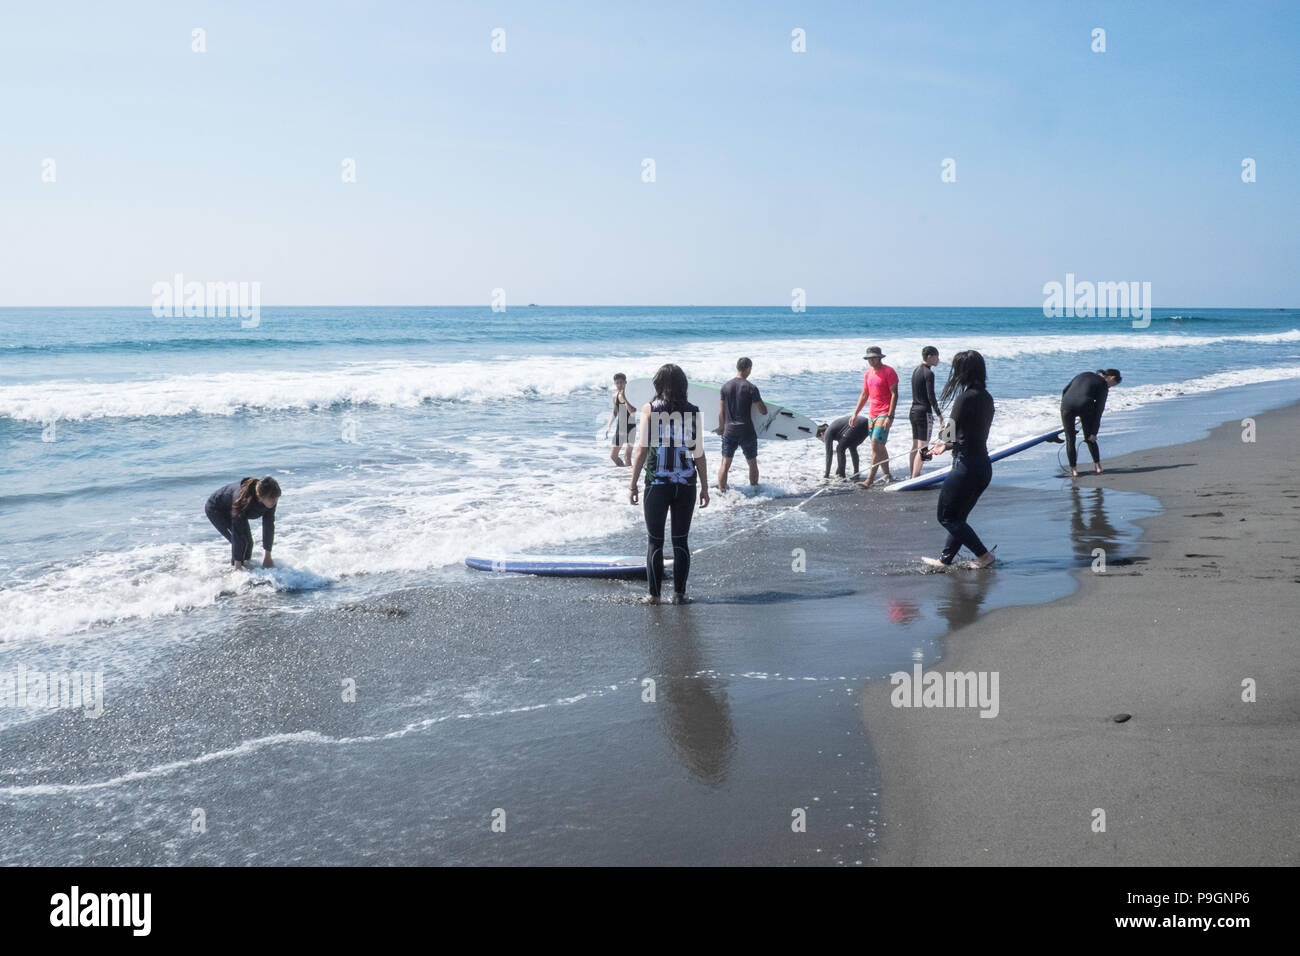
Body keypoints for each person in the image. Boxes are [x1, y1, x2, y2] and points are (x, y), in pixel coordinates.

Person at [629, 364, 710, 604]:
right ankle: (679, 594)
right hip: (686, 485)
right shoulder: (694, 412)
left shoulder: (650, 409)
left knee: (655, 541)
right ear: (683, 385)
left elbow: (642, 449)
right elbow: (699, 453)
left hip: (657, 483)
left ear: (659, 384)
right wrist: (705, 486)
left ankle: (654, 596)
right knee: (680, 540)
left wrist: (632, 484)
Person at [922, 351, 996, 570]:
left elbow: (951, 430)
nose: (954, 373)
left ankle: (983, 556)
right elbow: (969, 434)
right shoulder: (986, 396)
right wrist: (946, 444)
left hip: (966, 466)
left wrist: (943, 442)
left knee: (946, 517)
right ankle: (945, 560)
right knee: (958, 517)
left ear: (964, 371)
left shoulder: (965, 397)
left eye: (957, 369)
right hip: (982, 465)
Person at [206, 476, 281, 570]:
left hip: (233, 508)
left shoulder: (271, 497)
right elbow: (238, 533)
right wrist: (238, 566)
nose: (275, 502)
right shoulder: (242, 499)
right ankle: (235, 570)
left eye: (277, 498)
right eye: (272, 499)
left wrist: (268, 557)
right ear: (259, 497)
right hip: (217, 509)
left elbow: (268, 526)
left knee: (249, 543)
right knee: (241, 542)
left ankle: (246, 568)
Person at [715, 357, 767, 492]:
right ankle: (754, 490)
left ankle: (721, 492)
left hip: (729, 431)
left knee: (725, 463)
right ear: (748, 369)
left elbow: (721, 411)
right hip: (747, 431)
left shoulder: (725, 386)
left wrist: (721, 427)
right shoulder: (751, 387)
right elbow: (763, 411)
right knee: (752, 463)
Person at [849, 346, 899, 487]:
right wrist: (855, 413)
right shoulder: (868, 373)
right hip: (872, 414)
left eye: (873, 357)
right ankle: (887, 475)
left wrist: (890, 416)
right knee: (878, 446)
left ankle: (869, 480)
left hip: (884, 412)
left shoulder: (889, 372)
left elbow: (894, 394)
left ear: (879, 357)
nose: (871, 360)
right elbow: (864, 395)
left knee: (875, 443)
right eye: (869, 358)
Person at [1060, 369, 1121, 477]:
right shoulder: (1103, 384)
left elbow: (1065, 390)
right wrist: (1094, 432)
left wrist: (1068, 406)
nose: (1110, 387)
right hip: (1084, 406)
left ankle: (1074, 470)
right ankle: (1098, 467)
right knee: (1089, 438)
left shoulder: (1083, 373)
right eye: (1112, 385)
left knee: (1070, 439)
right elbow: (1099, 410)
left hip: (1066, 405)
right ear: (1112, 378)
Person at [908, 346, 944, 478]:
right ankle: (915, 477)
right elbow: (931, 396)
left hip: (913, 411)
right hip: (924, 412)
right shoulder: (929, 373)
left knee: (915, 446)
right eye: (936, 356)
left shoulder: (916, 370)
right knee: (923, 447)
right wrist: (939, 415)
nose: (938, 359)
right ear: (929, 356)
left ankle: (912, 473)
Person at [605, 372, 635, 466]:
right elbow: (615, 412)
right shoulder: (615, 396)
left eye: (621, 382)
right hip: (620, 429)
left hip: (631, 428)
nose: (619, 385)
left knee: (627, 457)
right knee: (613, 456)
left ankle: (630, 478)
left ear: (626, 382)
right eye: (617, 383)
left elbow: (632, 413)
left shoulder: (630, 396)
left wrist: (625, 399)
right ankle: (623, 473)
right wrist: (609, 426)